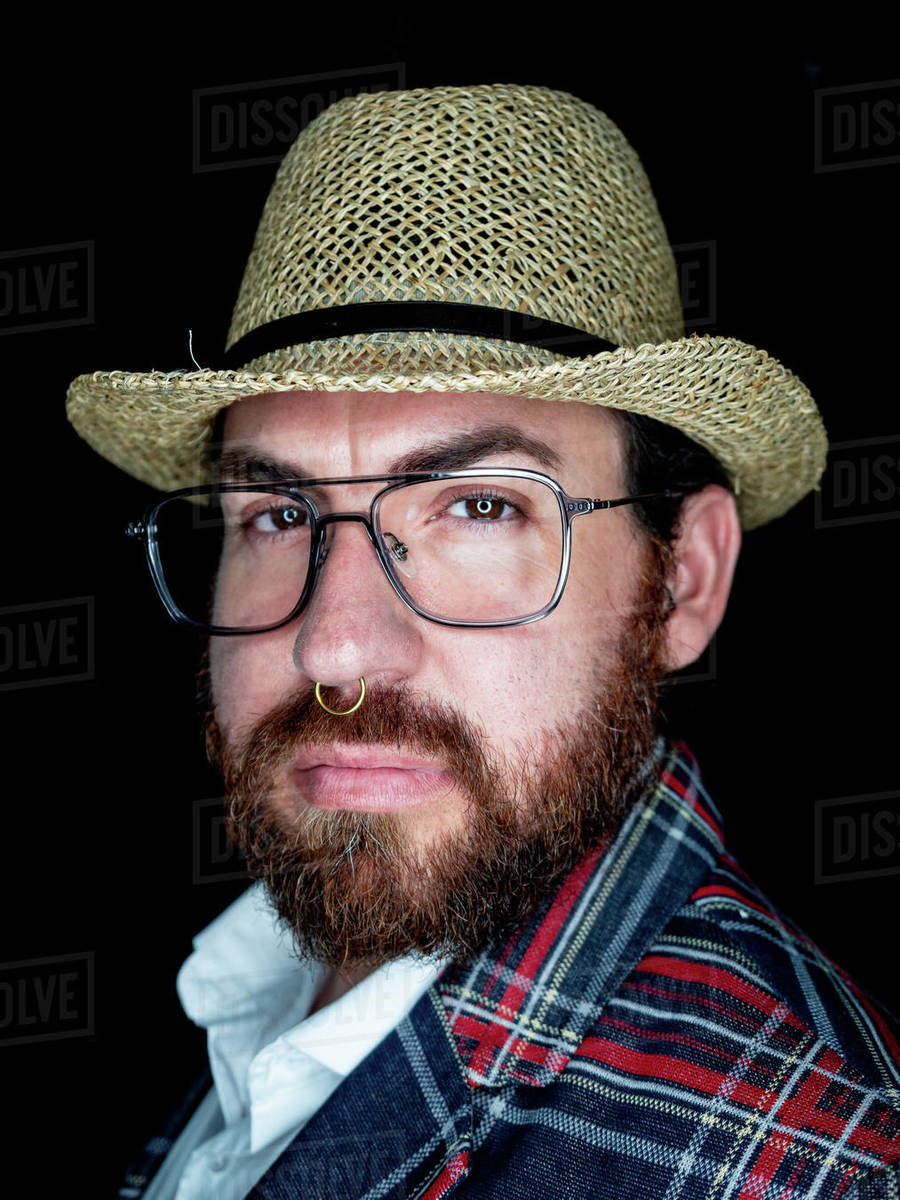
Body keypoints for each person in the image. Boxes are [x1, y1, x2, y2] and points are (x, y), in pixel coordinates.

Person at [67, 84, 900, 1199]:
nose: (338, 651)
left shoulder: (813, 1162)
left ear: (682, 581)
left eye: (479, 509)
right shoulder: (265, 1004)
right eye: (277, 516)